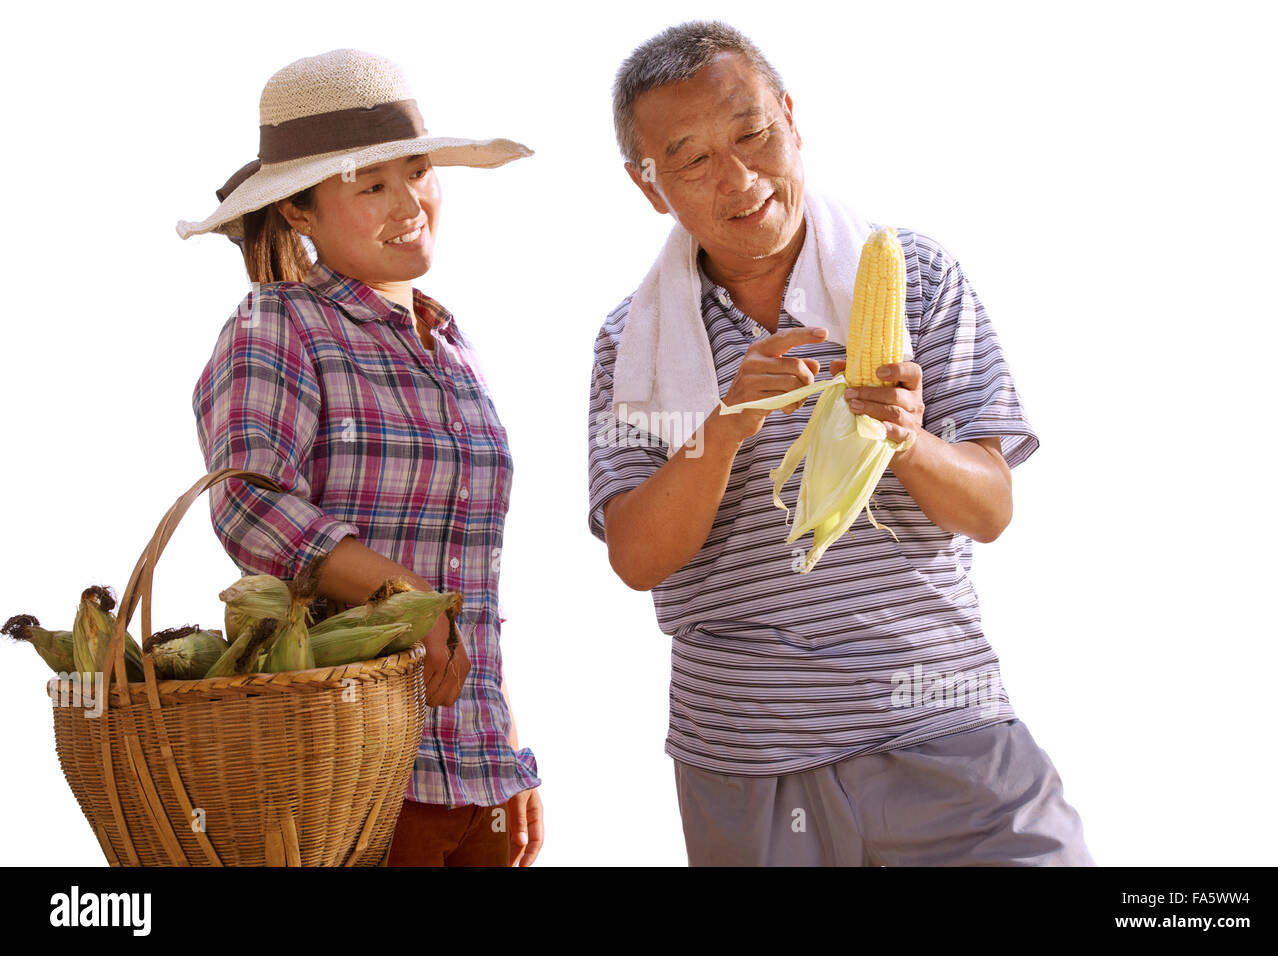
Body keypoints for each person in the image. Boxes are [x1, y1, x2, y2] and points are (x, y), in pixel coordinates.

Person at [588, 21, 1094, 866]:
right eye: (693, 159)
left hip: (944, 722)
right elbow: (637, 558)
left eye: (753, 134)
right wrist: (726, 427)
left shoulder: (916, 277)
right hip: (747, 758)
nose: (741, 178)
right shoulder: (629, 344)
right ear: (649, 186)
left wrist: (909, 439)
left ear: (791, 117)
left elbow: (992, 506)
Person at [178, 48, 543, 866]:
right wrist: (404, 595)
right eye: (370, 185)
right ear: (300, 212)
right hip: (349, 769)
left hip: (473, 766)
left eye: (417, 172)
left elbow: (471, 572)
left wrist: (509, 748)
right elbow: (248, 504)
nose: (409, 203)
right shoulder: (279, 326)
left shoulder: (451, 345)